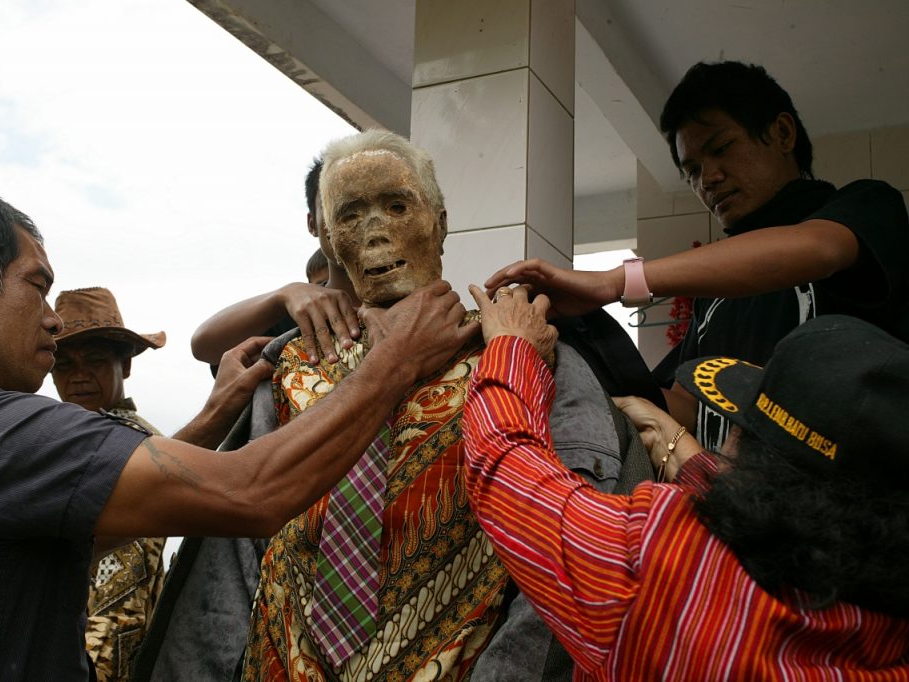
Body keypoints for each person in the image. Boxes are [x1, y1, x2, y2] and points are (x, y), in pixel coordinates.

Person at [0, 184, 475, 681]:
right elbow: (250, 491)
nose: (53, 318)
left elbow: (63, 529)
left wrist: (216, 417)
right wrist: (395, 363)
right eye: (36, 286)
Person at [239, 130, 636, 681]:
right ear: (328, 239)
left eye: (398, 205)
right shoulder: (292, 367)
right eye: (351, 215)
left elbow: (572, 534)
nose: (376, 232)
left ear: (440, 222)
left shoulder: (519, 350)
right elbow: (241, 540)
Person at [462, 286, 909, 680]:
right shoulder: (886, 625)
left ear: (756, 465)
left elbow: (503, 464)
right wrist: (672, 439)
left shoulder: (659, 567)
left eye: (739, 426)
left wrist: (512, 345)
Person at [485, 60, 909, 452]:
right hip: (737, 508)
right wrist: (572, 345)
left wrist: (615, 282)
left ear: (783, 133)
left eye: (722, 148)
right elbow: (690, 407)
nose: (709, 178)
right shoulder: (713, 298)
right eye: (691, 171)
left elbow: (819, 248)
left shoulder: (866, 206)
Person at [49, 286, 167, 682]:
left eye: (95, 360)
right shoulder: (69, 440)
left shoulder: (129, 449)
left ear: (126, 365)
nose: (78, 375)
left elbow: (120, 609)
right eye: (64, 364)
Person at [191, 159, 361, 367]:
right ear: (312, 223)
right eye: (337, 203)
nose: (362, 217)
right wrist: (283, 296)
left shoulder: (411, 309)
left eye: (392, 205)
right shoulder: (298, 310)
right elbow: (204, 345)